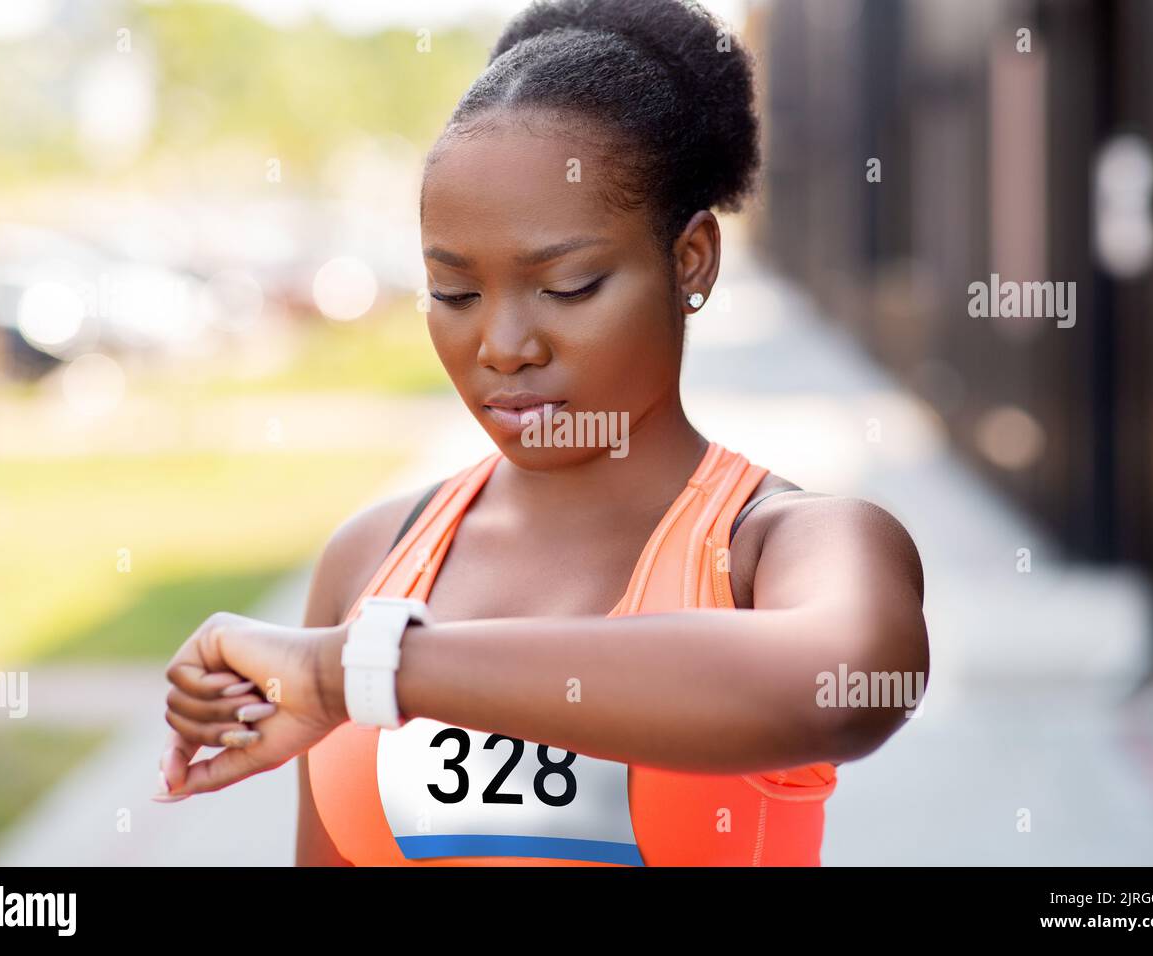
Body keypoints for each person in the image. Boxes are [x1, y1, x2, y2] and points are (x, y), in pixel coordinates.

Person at [154, 0, 928, 867]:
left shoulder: (791, 545)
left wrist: (356, 676)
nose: (503, 347)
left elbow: (843, 686)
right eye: (454, 295)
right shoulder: (370, 560)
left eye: (565, 286)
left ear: (691, 261)